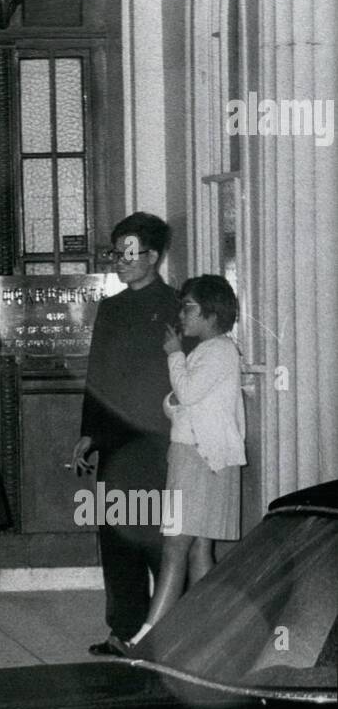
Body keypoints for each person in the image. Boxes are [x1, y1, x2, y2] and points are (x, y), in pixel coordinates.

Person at [116, 275, 246, 649]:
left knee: (175, 547)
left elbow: (185, 394)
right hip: (202, 455)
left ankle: (147, 637)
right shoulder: (215, 350)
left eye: (189, 307)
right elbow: (184, 405)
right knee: (198, 548)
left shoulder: (216, 350)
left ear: (211, 312)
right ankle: (214, 634)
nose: (182, 314)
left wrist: (174, 353)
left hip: (198, 458)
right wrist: (175, 399)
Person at [71, 213, 179, 655]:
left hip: (158, 442)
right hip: (114, 442)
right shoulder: (111, 307)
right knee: (116, 538)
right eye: (116, 252)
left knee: (156, 537)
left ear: (153, 257)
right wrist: (87, 433)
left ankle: (169, 631)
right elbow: (98, 374)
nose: (120, 260)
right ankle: (123, 632)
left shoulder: (176, 305)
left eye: (129, 252)